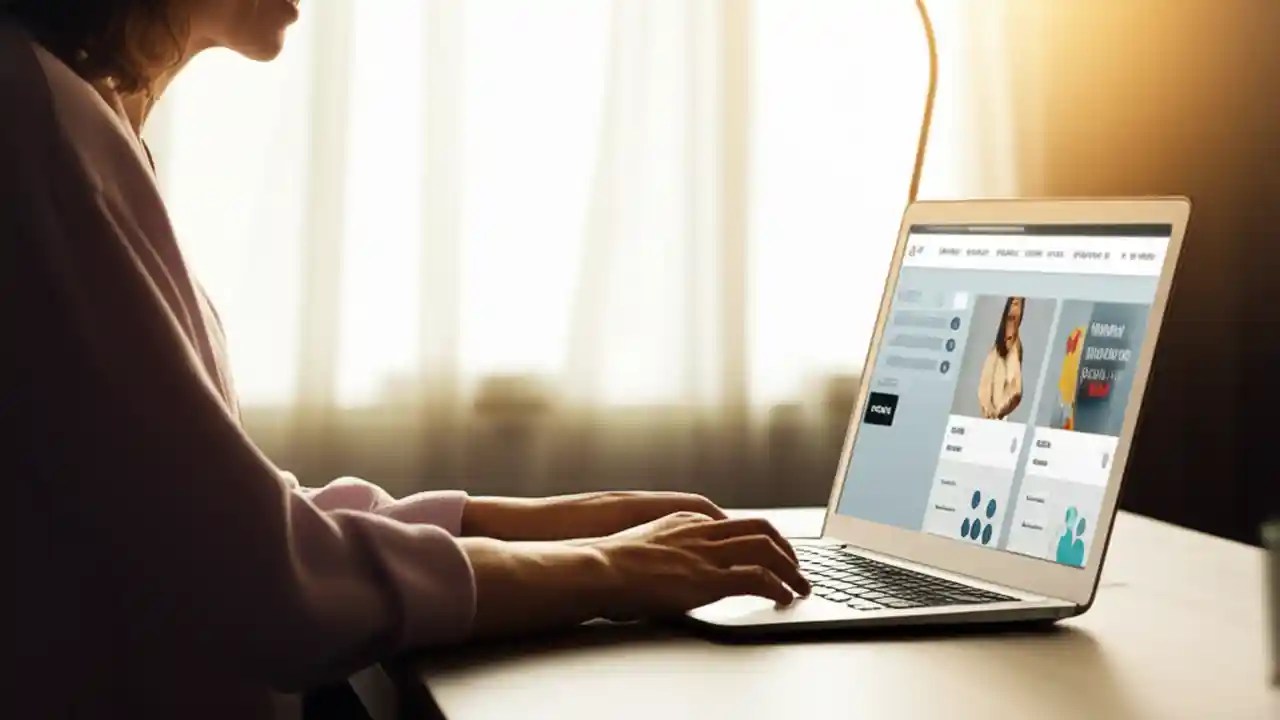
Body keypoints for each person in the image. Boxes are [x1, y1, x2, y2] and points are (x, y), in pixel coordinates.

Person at [1, 2, 810, 717]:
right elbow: (266, 584)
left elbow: (209, 514)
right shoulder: (33, 117)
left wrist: (526, 523)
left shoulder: (72, 110)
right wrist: (608, 568)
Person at [976, 296, 1025, 420]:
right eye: (1014, 304)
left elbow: (1015, 388)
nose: (1016, 309)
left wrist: (1000, 411)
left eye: (1019, 305)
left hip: (1001, 416)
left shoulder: (1016, 348)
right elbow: (984, 384)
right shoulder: (996, 349)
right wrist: (989, 409)